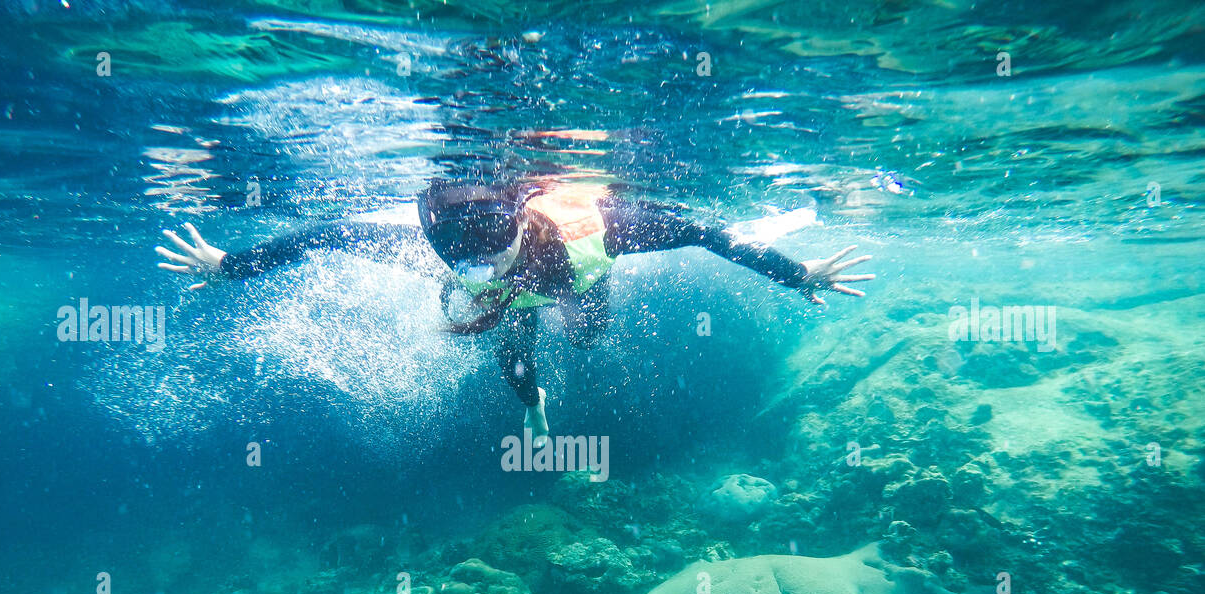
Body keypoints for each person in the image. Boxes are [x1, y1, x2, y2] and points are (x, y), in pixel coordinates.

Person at [156, 177, 873, 445]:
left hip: (572, 278)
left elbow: (704, 234)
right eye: (454, 265)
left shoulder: (604, 225)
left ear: (516, 233)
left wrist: (794, 272)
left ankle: (553, 354)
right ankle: (534, 409)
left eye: (482, 264)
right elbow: (321, 238)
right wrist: (230, 266)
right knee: (509, 347)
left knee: (589, 335)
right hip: (527, 293)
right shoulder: (442, 247)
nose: (469, 277)